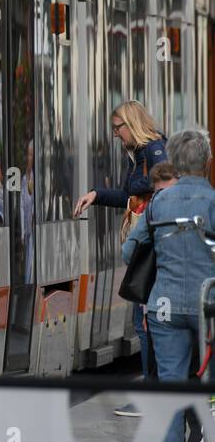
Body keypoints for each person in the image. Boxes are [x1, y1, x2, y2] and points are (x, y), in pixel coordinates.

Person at [121, 129, 215, 442]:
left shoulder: (158, 203)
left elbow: (128, 252)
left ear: (173, 162)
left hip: (165, 308)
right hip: (210, 309)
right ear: (208, 162)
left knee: (170, 389)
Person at [73, 100, 167, 393]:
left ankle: (156, 391)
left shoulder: (154, 150)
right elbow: (129, 195)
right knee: (143, 320)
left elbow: (160, 194)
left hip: (152, 247)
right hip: (145, 244)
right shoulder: (137, 154)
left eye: (117, 128)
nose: (115, 134)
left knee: (145, 321)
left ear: (131, 124)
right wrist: (96, 194)